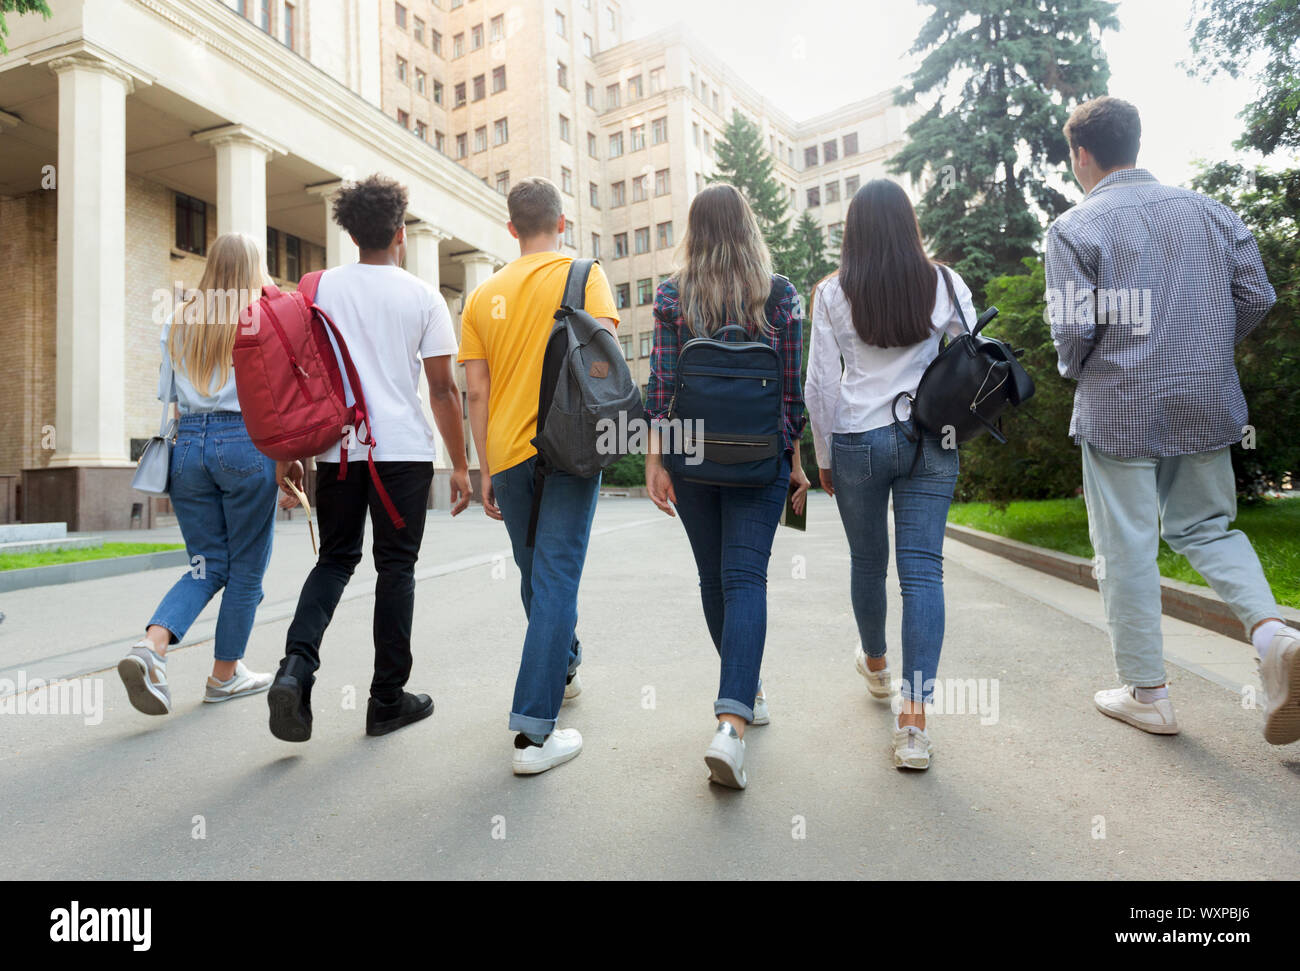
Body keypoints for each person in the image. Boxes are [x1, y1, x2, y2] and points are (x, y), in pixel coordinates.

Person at [1046, 96, 1299, 744]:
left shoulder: (1075, 228)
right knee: (1207, 527)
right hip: (1205, 401)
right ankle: (1274, 637)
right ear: (1135, 141)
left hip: (1117, 407)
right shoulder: (1210, 213)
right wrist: (1202, 345)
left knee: (1125, 546)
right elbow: (1257, 295)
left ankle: (1149, 694)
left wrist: (1086, 367)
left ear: (1082, 155)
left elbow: (1072, 335)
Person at [268, 174, 471, 742]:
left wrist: (292, 454)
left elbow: (297, 380)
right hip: (401, 453)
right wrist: (459, 464)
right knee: (396, 569)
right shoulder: (423, 295)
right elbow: (441, 390)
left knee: (334, 560)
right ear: (400, 233)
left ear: (350, 232)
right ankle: (386, 700)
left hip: (335, 449)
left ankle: (295, 669)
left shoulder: (316, 288)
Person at [644, 183, 810, 790]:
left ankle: (742, 699)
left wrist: (655, 461)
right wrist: (792, 458)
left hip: (690, 458)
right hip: (759, 460)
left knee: (714, 580)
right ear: (748, 226)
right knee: (745, 580)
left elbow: (661, 389)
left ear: (694, 230)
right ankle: (733, 721)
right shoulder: (780, 294)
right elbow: (792, 395)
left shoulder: (672, 295)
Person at [805, 179, 972, 771]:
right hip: (931, 437)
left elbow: (821, 384)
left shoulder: (830, 293)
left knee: (868, 562)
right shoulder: (946, 282)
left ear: (852, 230)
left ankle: (876, 665)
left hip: (858, 438)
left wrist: (822, 455)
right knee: (923, 573)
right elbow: (970, 359)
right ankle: (914, 723)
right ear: (910, 225)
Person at [459, 176, 620, 775]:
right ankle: (533, 731)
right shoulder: (585, 275)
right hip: (572, 444)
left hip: (508, 453)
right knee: (553, 575)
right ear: (563, 222)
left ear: (510, 229)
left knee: (536, 571)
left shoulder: (481, 297)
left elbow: (476, 390)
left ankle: (565, 659)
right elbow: (604, 363)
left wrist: (483, 469)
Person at [119, 232, 297, 715]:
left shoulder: (179, 322)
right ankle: (225, 675)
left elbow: (169, 400)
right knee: (245, 571)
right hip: (244, 442)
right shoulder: (259, 318)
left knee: (205, 564)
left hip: (187, 447)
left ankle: (152, 646)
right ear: (253, 269)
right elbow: (274, 396)